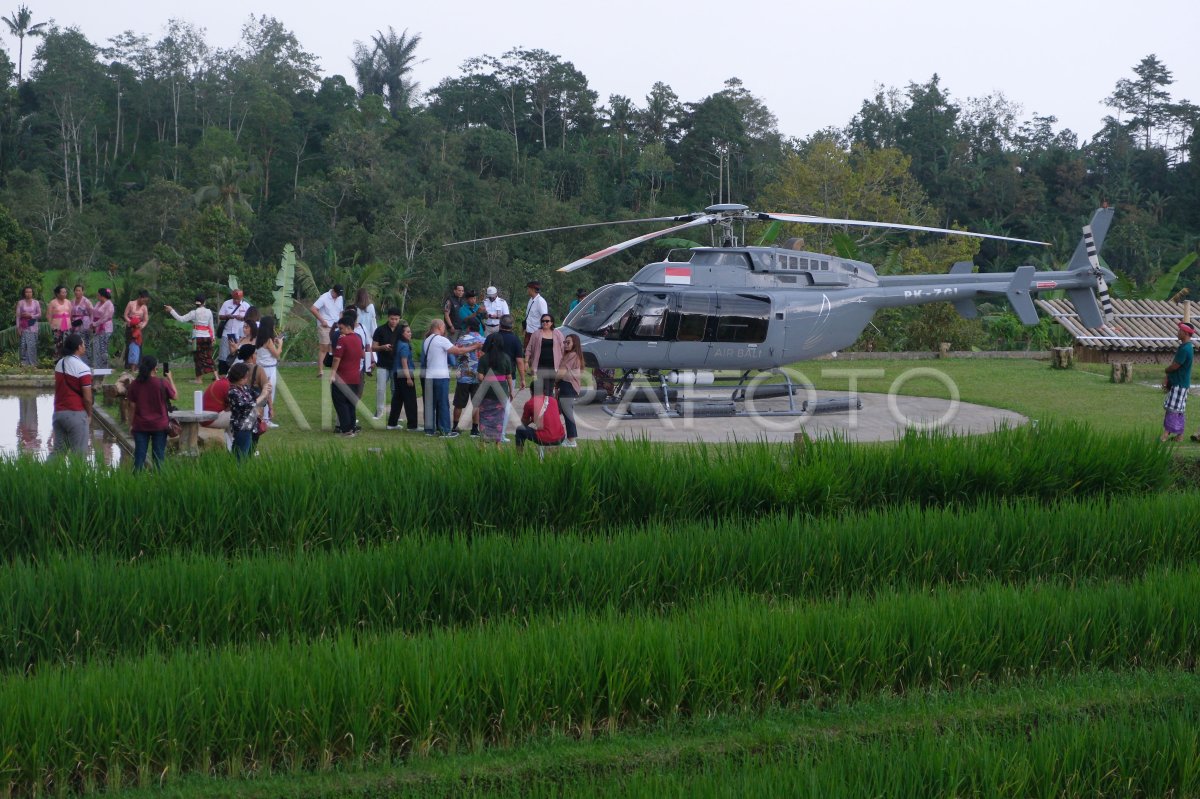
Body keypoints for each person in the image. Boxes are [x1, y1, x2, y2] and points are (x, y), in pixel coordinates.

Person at [422, 319, 481, 438]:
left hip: (429, 375)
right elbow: (458, 351)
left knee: (431, 404)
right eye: (444, 327)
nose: (445, 329)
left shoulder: (427, 340)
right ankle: (445, 430)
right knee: (443, 403)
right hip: (440, 376)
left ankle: (429, 429)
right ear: (439, 327)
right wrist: (475, 346)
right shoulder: (441, 340)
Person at [124, 354, 176, 471]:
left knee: (139, 458)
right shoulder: (161, 383)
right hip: (160, 425)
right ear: (154, 368)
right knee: (158, 458)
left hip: (140, 426)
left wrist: (130, 425)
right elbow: (175, 396)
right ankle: (159, 483)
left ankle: (136, 482)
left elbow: (132, 406)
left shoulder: (135, 385)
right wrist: (170, 379)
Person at [51, 333, 93, 456]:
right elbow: (87, 398)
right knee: (79, 456)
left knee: (58, 453)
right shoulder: (83, 368)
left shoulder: (59, 364)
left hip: (58, 413)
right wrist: (89, 415)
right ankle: (77, 476)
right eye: (83, 344)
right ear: (79, 347)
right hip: (76, 414)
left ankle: (44, 474)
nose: (84, 346)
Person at [475, 333, 516, 446]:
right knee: (499, 418)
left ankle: (483, 443)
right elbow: (509, 376)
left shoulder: (483, 358)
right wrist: (511, 391)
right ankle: (498, 444)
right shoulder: (506, 357)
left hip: (486, 391)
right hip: (501, 391)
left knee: (484, 416)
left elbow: (480, 377)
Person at [165, 295, 216, 383]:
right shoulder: (209, 312)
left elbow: (181, 319)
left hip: (197, 338)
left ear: (195, 303)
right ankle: (217, 377)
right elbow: (211, 326)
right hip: (207, 337)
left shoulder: (194, 313)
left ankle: (198, 379)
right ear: (204, 302)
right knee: (209, 356)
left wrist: (171, 310)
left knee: (198, 358)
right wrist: (213, 337)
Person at [330, 312, 364, 437]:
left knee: (340, 403)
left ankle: (346, 430)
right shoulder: (358, 338)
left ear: (349, 327)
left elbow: (336, 359)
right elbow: (361, 355)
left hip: (342, 377)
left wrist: (333, 373)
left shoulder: (342, 340)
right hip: (355, 378)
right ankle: (352, 427)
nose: (340, 331)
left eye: (341, 328)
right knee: (351, 404)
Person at [225, 362, 268, 460]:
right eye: (245, 377)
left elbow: (259, 400)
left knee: (249, 455)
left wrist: (265, 391)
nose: (247, 379)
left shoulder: (245, 388)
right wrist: (262, 396)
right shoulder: (232, 392)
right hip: (242, 427)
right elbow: (248, 405)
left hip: (252, 426)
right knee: (240, 457)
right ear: (239, 377)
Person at [453, 316, 486, 436]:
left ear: (468, 328)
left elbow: (456, 353)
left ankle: (455, 427)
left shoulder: (461, 339)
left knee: (459, 403)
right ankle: (475, 429)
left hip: (463, 376)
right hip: (478, 377)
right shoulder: (483, 340)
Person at [1163, 321, 1194, 442]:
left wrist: (1166, 370)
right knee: (1179, 409)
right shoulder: (1187, 347)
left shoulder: (1185, 349)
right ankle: (1179, 436)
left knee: (1172, 409)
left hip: (1179, 384)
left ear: (1185, 333)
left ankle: (1165, 435)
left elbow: (1175, 366)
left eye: (1180, 330)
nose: (1178, 332)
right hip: (1182, 383)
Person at [387, 322, 419, 431]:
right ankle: (412, 425)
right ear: (402, 333)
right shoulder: (405, 346)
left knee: (398, 399)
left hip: (397, 373)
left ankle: (392, 423)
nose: (410, 333)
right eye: (408, 332)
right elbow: (404, 362)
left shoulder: (398, 343)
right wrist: (408, 378)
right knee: (410, 401)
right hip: (405, 374)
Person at [524, 312, 564, 397]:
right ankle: (545, 404)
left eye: (547, 321)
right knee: (544, 387)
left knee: (550, 387)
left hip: (554, 365)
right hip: (540, 365)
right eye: (543, 321)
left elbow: (563, 349)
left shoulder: (557, 334)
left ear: (552, 323)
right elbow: (529, 348)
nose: (544, 323)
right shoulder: (536, 334)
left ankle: (549, 405)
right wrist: (526, 362)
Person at [373, 308, 402, 420]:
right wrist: (382, 347)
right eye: (392, 319)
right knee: (380, 389)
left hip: (396, 365)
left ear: (399, 319)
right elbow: (373, 347)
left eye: (396, 319)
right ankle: (379, 413)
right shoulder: (380, 330)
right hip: (382, 364)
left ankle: (395, 414)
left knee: (396, 390)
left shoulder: (401, 330)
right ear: (388, 318)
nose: (394, 321)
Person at [309, 284, 344, 377]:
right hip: (325, 326)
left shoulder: (340, 298)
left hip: (336, 326)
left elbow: (340, 312)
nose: (338, 296)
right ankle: (320, 370)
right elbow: (313, 309)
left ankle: (334, 369)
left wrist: (340, 323)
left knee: (335, 347)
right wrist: (322, 320)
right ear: (333, 291)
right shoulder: (324, 297)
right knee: (324, 347)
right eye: (337, 294)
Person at [556, 333, 584, 447]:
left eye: (568, 342)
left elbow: (561, 372)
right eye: (565, 342)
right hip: (566, 385)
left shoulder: (572, 355)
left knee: (568, 413)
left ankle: (571, 440)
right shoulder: (569, 355)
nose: (566, 344)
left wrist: (554, 381)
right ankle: (566, 437)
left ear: (574, 344)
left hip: (568, 385)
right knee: (563, 412)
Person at [255, 316, 283, 427]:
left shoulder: (259, 339)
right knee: (269, 392)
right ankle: (266, 419)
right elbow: (277, 355)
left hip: (261, 367)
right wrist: (280, 344)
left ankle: (263, 417)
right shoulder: (268, 340)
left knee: (263, 392)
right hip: (269, 368)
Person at [216, 288, 250, 374]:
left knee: (237, 354)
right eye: (235, 299)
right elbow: (220, 316)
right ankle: (223, 373)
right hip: (227, 332)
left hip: (240, 334)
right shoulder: (226, 303)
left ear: (242, 298)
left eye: (238, 299)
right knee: (224, 354)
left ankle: (235, 373)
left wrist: (242, 318)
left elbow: (250, 319)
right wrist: (227, 316)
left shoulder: (246, 306)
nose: (236, 301)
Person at [15, 285, 41, 367]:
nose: (28, 293)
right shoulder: (20, 303)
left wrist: (30, 316)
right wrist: (18, 328)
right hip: (23, 326)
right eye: (26, 292)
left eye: (30, 292)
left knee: (32, 345)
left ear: (32, 293)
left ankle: (33, 364)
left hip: (33, 325)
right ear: (24, 293)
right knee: (23, 345)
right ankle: (24, 364)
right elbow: (18, 316)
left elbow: (39, 314)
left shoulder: (36, 302)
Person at [123, 290, 150, 369]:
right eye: (143, 300)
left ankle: (137, 364)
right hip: (130, 326)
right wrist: (130, 322)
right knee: (129, 344)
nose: (144, 302)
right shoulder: (131, 303)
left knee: (138, 345)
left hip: (138, 327)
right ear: (140, 297)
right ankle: (128, 364)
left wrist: (142, 325)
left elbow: (146, 319)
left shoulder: (144, 307)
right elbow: (125, 315)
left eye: (146, 301)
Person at [90, 288, 114, 369]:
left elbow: (106, 317)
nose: (97, 296)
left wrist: (95, 323)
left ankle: (104, 366)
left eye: (98, 294)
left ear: (101, 295)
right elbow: (94, 312)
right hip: (97, 327)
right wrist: (92, 323)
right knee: (96, 346)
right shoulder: (98, 303)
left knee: (103, 347)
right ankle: (97, 366)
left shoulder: (109, 304)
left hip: (105, 328)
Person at [47, 285, 72, 356]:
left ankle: (67, 359)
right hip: (56, 327)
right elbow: (49, 315)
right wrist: (51, 325)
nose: (65, 294)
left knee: (67, 343)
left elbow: (70, 314)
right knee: (58, 344)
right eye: (63, 292)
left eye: (65, 292)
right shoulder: (52, 302)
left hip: (67, 326)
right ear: (58, 294)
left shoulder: (68, 302)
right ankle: (57, 360)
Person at [523, 281, 549, 346]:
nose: (527, 290)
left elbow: (545, 317)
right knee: (526, 352)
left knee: (534, 353)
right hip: (528, 331)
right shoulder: (531, 300)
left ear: (532, 289)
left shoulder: (540, 301)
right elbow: (528, 315)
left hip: (536, 332)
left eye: (528, 288)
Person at [70, 284, 93, 355]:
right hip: (74, 324)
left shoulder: (86, 301)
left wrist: (91, 324)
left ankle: (87, 361)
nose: (77, 292)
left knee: (85, 342)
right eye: (76, 290)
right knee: (76, 342)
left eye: (79, 290)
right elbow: (70, 313)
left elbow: (92, 313)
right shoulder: (72, 301)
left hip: (84, 324)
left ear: (83, 292)